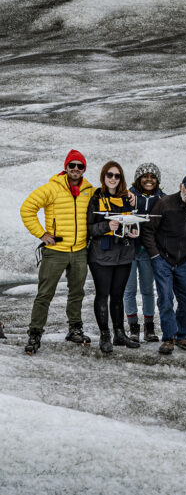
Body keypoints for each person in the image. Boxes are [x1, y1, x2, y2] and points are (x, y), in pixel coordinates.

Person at [20, 149, 94, 355]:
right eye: (72, 165)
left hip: (79, 251)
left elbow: (108, 201)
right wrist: (42, 234)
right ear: (66, 167)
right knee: (45, 294)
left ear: (84, 169)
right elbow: (27, 209)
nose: (76, 169)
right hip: (55, 251)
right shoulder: (52, 188)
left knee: (77, 292)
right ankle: (34, 333)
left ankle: (75, 328)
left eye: (80, 166)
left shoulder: (89, 190)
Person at [142, 174, 186, 355]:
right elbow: (148, 230)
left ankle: (181, 335)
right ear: (181, 186)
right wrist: (155, 255)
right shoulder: (165, 203)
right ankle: (168, 338)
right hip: (163, 259)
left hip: (185, 261)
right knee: (165, 299)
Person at [87, 161, 140, 354]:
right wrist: (106, 227)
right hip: (101, 254)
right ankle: (105, 335)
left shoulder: (128, 198)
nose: (113, 179)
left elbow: (134, 221)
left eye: (117, 176)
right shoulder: (96, 198)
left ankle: (119, 333)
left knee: (118, 296)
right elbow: (90, 227)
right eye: (110, 175)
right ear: (103, 176)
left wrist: (134, 232)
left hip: (124, 254)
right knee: (103, 295)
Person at [124, 162, 164, 342]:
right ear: (138, 179)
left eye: (152, 177)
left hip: (149, 251)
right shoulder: (128, 195)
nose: (149, 180)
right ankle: (133, 327)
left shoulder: (162, 199)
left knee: (148, 289)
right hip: (130, 250)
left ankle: (149, 327)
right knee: (129, 289)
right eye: (145, 177)